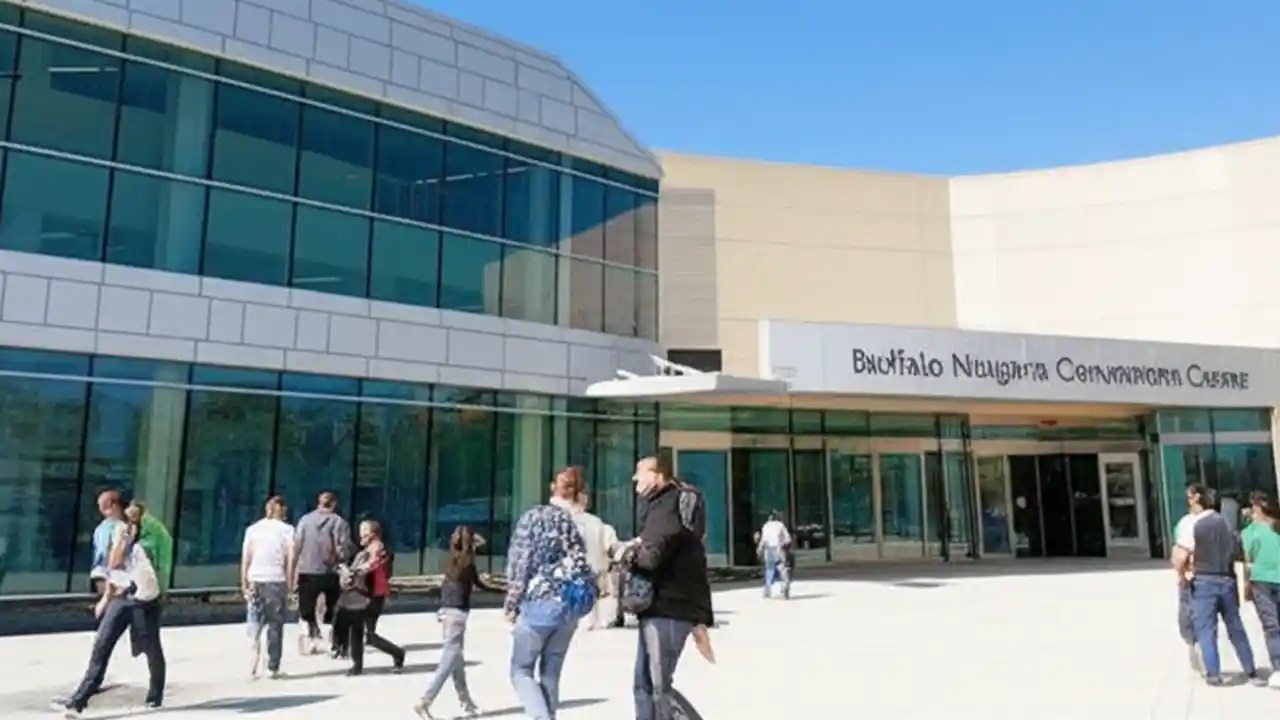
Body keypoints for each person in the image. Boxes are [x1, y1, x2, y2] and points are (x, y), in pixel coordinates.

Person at [621, 456, 715, 720]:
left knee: (657, 686)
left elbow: (652, 557)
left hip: (668, 606)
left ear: (659, 474)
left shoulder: (667, 506)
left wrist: (626, 554)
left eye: (640, 472)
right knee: (647, 685)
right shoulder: (662, 507)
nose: (635, 478)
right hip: (663, 606)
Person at [60, 502, 166, 716]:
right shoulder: (119, 532)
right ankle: (81, 698)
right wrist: (106, 598)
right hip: (121, 596)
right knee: (102, 644)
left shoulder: (147, 543)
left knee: (151, 647)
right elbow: (112, 567)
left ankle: (155, 694)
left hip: (144, 600)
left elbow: (121, 562)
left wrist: (129, 542)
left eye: (134, 519)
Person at [505, 482, 596, 720]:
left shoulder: (533, 518)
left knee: (521, 670)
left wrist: (511, 605)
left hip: (540, 602)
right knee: (551, 672)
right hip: (570, 606)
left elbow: (521, 565)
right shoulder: (571, 524)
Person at [1173, 483, 1264, 687]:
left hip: (1204, 580)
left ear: (1199, 500)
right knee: (1236, 627)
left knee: (1206, 629)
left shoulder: (1194, 525)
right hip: (1227, 580)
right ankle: (1250, 670)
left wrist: (1182, 574)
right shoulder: (1227, 524)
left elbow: (1180, 556)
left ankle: (1214, 674)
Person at [414, 525, 500, 719]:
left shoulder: (450, 559)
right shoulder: (467, 562)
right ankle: (425, 700)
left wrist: (469, 542)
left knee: (457, 662)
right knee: (449, 658)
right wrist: (504, 591)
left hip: (446, 611)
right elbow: (480, 584)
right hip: (458, 613)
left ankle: (467, 704)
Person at [548, 467, 621, 631]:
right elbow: (616, 553)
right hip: (593, 607)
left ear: (553, 487)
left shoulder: (543, 519)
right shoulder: (597, 524)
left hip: (553, 603)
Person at [335, 520, 406, 676]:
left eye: (364, 530)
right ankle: (357, 665)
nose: (361, 534)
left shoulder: (379, 549)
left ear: (373, 533)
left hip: (373, 596)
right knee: (357, 630)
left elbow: (372, 565)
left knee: (367, 635)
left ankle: (397, 653)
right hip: (363, 594)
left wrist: (354, 572)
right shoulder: (365, 550)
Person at [293, 491, 354, 656]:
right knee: (331, 608)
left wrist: (294, 570)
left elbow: (297, 545)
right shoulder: (339, 522)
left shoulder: (305, 520)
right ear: (334, 504)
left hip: (307, 571)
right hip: (330, 572)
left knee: (306, 609)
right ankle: (331, 643)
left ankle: (308, 641)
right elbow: (343, 549)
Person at [241, 495, 295, 679]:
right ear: (282, 510)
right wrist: (290, 583)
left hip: (255, 579)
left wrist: (244, 582)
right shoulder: (287, 530)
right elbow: (290, 558)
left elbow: (246, 558)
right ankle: (272, 667)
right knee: (275, 624)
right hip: (275, 580)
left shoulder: (252, 529)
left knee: (254, 623)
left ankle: (252, 666)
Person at [1243, 490, 1280, 688]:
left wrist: (1246, 586)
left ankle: (1279, 667)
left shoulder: (1251, 531)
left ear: (1255, 507)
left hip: (1261, 580)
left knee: (1271, 625)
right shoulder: (1277, 527)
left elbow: (1248, 562)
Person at [757, 512, 792, 599]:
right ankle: (785, 586)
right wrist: (783, 544)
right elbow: (788, 539)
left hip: (768, 550)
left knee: (769, 569)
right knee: (782, 567)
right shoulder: (780, 525)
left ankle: (767, 590)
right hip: (778, 549)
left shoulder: (766, 525)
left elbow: (763, 540)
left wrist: (759, 549)